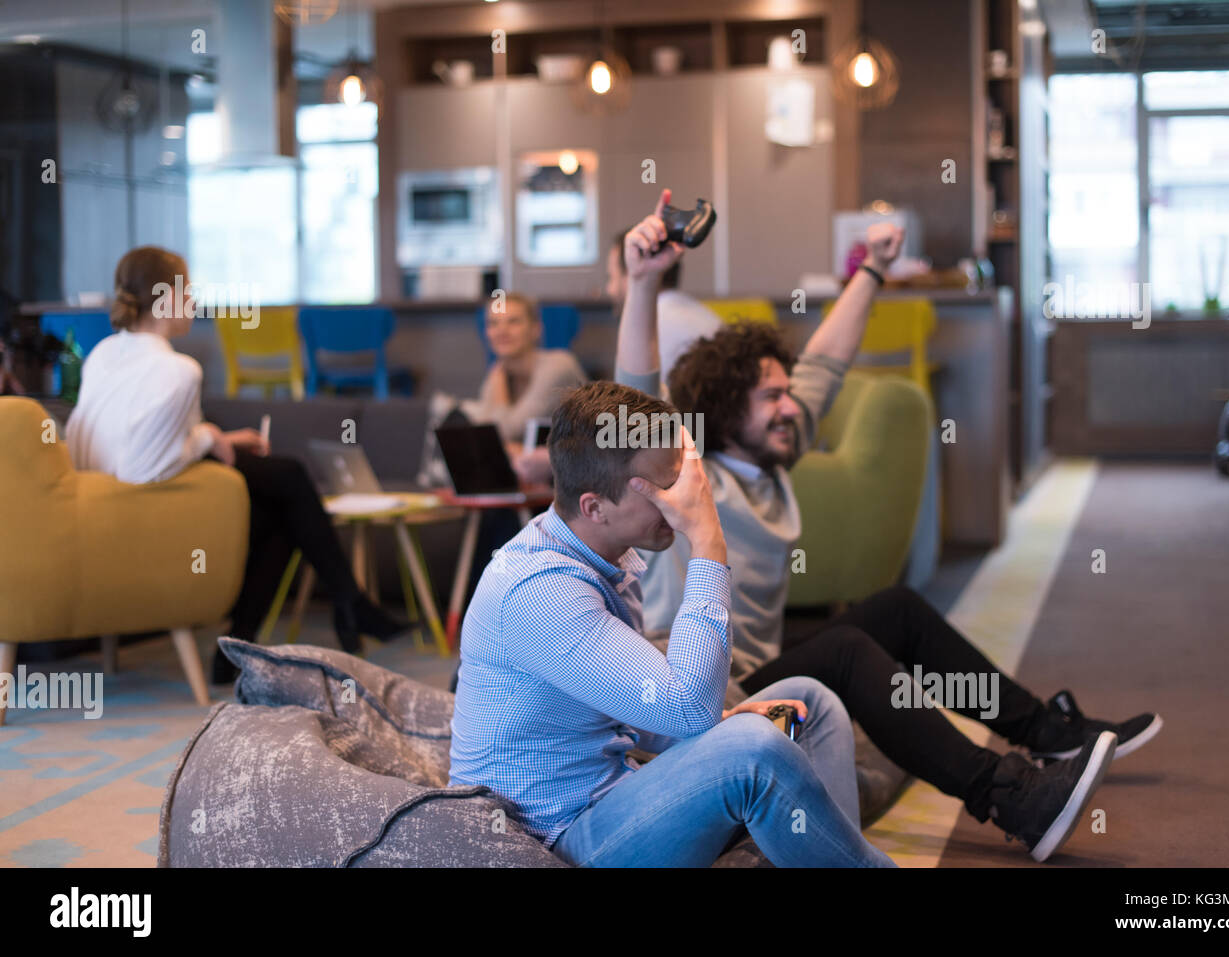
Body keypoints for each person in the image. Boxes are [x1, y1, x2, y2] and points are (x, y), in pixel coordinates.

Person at [614, 190, 1152, 862]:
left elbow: (827, 362)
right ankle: (1008, 796)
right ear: (725, 413)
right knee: (844, 652)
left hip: (754, 668)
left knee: (894, 609)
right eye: (771, 397)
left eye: (787, 393)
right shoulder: (688, 477)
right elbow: (635, 402)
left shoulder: (773, 455)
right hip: (700, 693)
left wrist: (872, 267)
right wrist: (643, 282)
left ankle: (1045, 730)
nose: (789, 406)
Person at [450, 378, 897, 867]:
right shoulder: (541, 593)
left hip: (610, 797)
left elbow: (640, 712)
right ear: (594, 507)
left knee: (811, 706)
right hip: (560, 837)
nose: (683, 499)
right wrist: (707, 540)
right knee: (754, 751)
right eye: (664, 486)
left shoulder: (600, 554)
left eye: (679, 477)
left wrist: (728, 720)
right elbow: (687, 710)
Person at [66, 246, 411, 684]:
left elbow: (132, 440)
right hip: (148, 513)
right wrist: (210, 437)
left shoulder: (102, 355)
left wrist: (216, 439)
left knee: (280, 505)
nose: (193, 302)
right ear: (166, 298)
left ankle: (249, 640)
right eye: (187, 291)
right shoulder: (178, 370)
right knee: (288, 479)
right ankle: (349, 605)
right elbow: (143, 465)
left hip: (99, 506)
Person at [417, 291, 586, 489]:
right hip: (530, 481)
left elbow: (506, 430)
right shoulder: (498, 374)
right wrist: (510, 449)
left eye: (513, 322)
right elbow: (484, 439)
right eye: (493, 323)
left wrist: (499, 388)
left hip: (578, 476)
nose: (501, 331)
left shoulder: (559, 365)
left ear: (535, 329)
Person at [605, 229, 721, 382]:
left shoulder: (651, 326)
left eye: (611, 277)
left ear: (629, 276)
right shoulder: (699, 312)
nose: (609, 289)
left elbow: (629, 402)